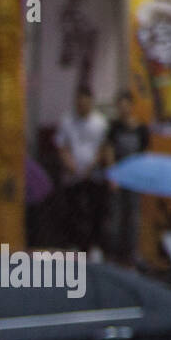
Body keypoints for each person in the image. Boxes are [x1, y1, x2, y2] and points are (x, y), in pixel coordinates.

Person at [55, 85, 109, 253]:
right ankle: (73, 246)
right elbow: (61, 146)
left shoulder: (100, 122)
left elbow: (103, 148)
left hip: (93, 175)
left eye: (86, 102)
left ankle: (94, 247)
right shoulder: (66, 121)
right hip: (72, 175)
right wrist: (70, 165)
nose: (82, 105)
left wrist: (91, 166)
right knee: (73, 212)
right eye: (80, 102)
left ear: (91, 102)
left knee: (95, 211)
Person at [103, 90, 149, 264]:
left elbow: (144, 154)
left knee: (133, 216)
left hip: (135, 176)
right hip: (118, 176)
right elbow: (108, 151)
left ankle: (132, 253)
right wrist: (112, 174)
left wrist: (143, 177)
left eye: (125, 105)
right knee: (115, 216)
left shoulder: (141, 128)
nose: (122, 109)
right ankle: (113, 254)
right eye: (119, 105)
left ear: (131, 106)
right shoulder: (114, 127)